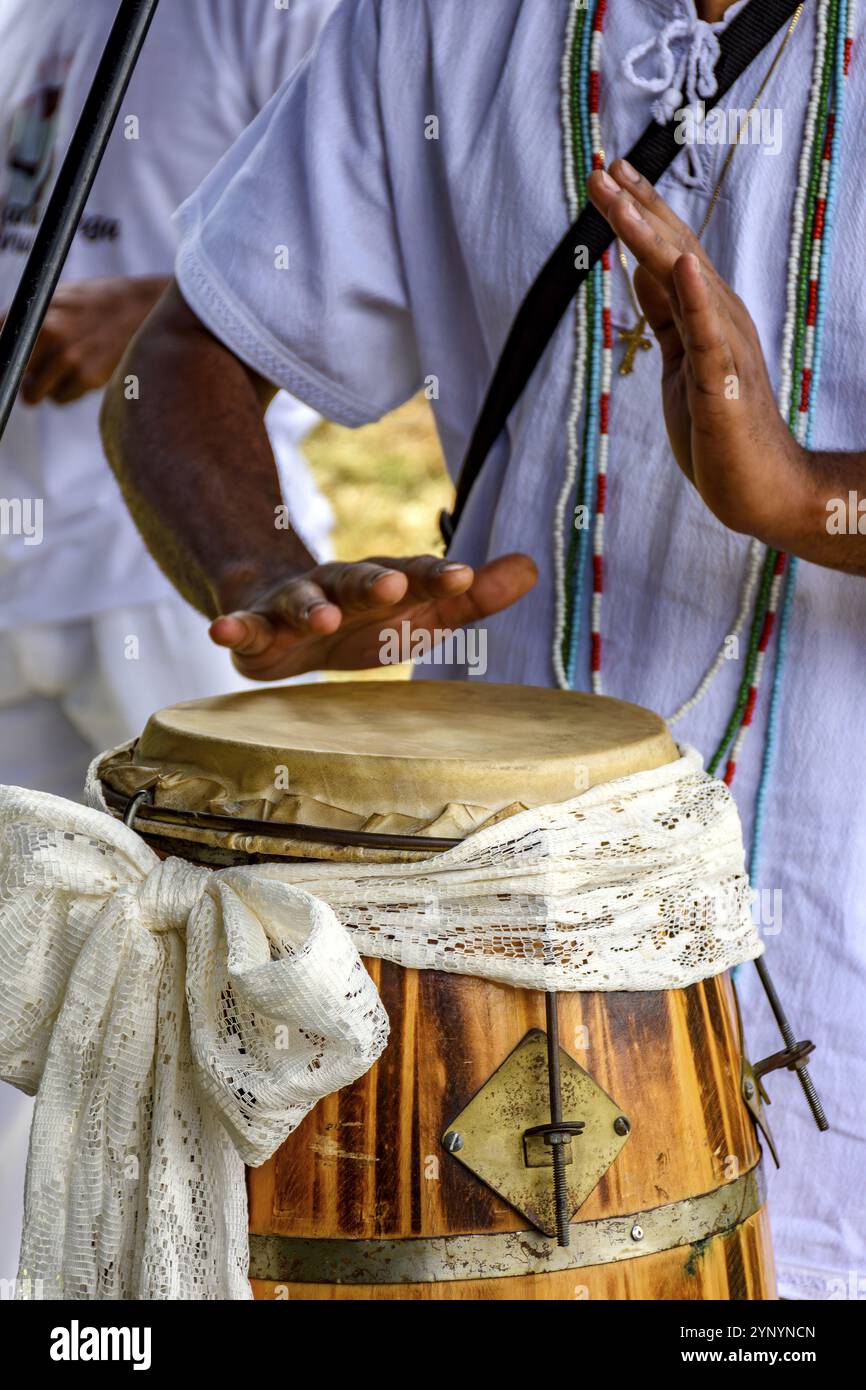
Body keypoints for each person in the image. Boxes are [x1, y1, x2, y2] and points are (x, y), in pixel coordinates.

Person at [101, 0, 865, 1302]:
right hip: (482, 975)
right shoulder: (437, 18)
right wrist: (257, 568)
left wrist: (796, 495)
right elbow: (177, 360)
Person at [0, 0, 337, 1286]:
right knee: (26, 988)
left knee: (246, 983)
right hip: (18, 570)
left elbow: (375, 276)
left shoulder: (286, 12)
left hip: (176, 573)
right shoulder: (38, 18)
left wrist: (148, 305)